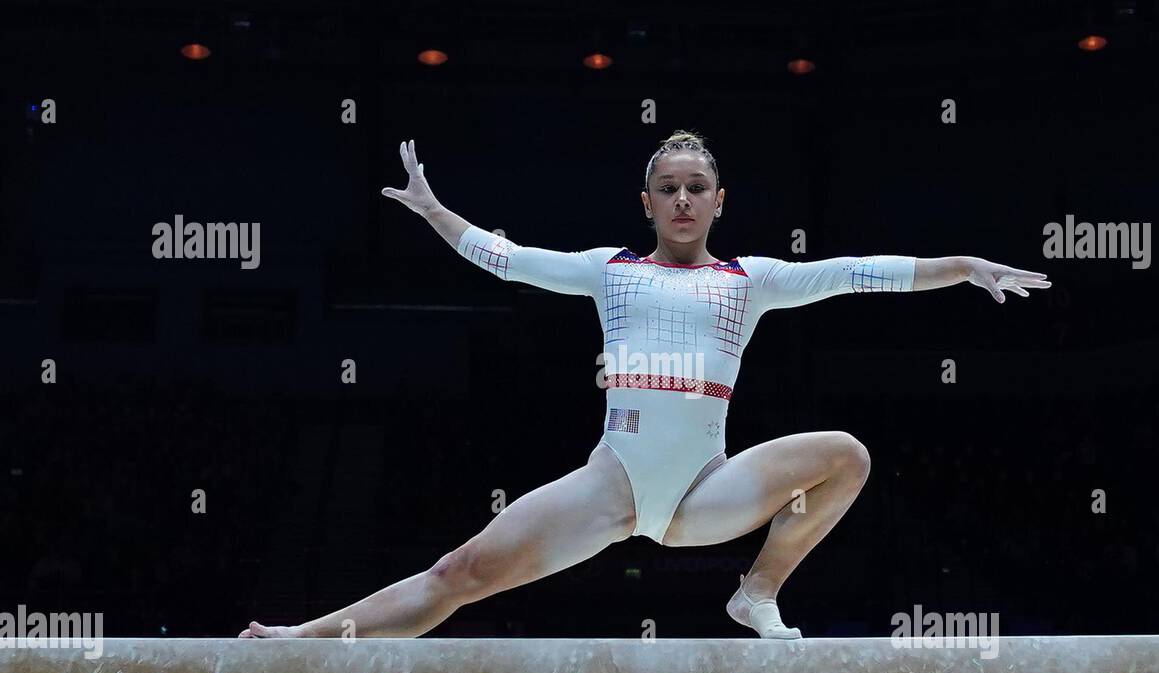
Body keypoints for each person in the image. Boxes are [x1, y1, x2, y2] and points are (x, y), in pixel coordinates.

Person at [240, 130, 1048, 641]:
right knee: (459, 575)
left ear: (721, 200)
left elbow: (855, 275)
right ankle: (305, 638)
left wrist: (964, 268)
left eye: (698, 186)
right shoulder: (610, 271)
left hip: (706, 493)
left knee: (847, 455)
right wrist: (434, 213)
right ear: (648, 203)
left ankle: (756, 593)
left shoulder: (751, 279)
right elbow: (507, 258)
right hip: (609, 485)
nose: (684, 198)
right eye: (670, 187)